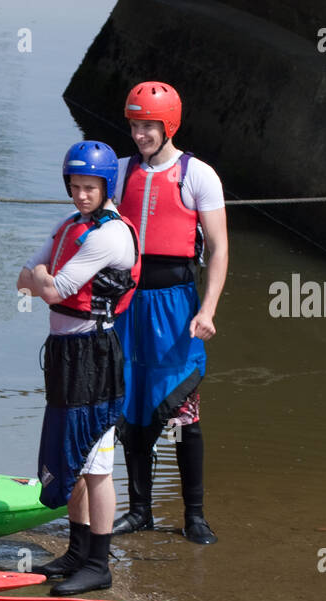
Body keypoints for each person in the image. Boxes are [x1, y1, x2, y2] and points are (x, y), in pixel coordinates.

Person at [17, 142, 140, 594]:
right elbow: (22, 279)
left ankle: (100, 563)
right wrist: (43, 277)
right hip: (65, 354)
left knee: (97, 463)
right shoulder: (69, 224)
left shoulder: (110, 234)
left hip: (96, 355)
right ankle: (76, 550)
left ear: (107, 186)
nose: (81, 195)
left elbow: (51, 288)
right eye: (74, 186)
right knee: (72, 454)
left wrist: (44, 275)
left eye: (90, 187)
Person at [111, 80, 228, 544]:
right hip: (127, 304)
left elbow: (218, 249)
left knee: (182, 411)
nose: (140, 135)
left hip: (175, 305)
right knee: (133, 409)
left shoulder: (198, 175)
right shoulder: (118, 172)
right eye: (135, 126)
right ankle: (139, 510)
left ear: (169, 125)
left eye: (149, 127)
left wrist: (208, 309)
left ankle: (194, 515)